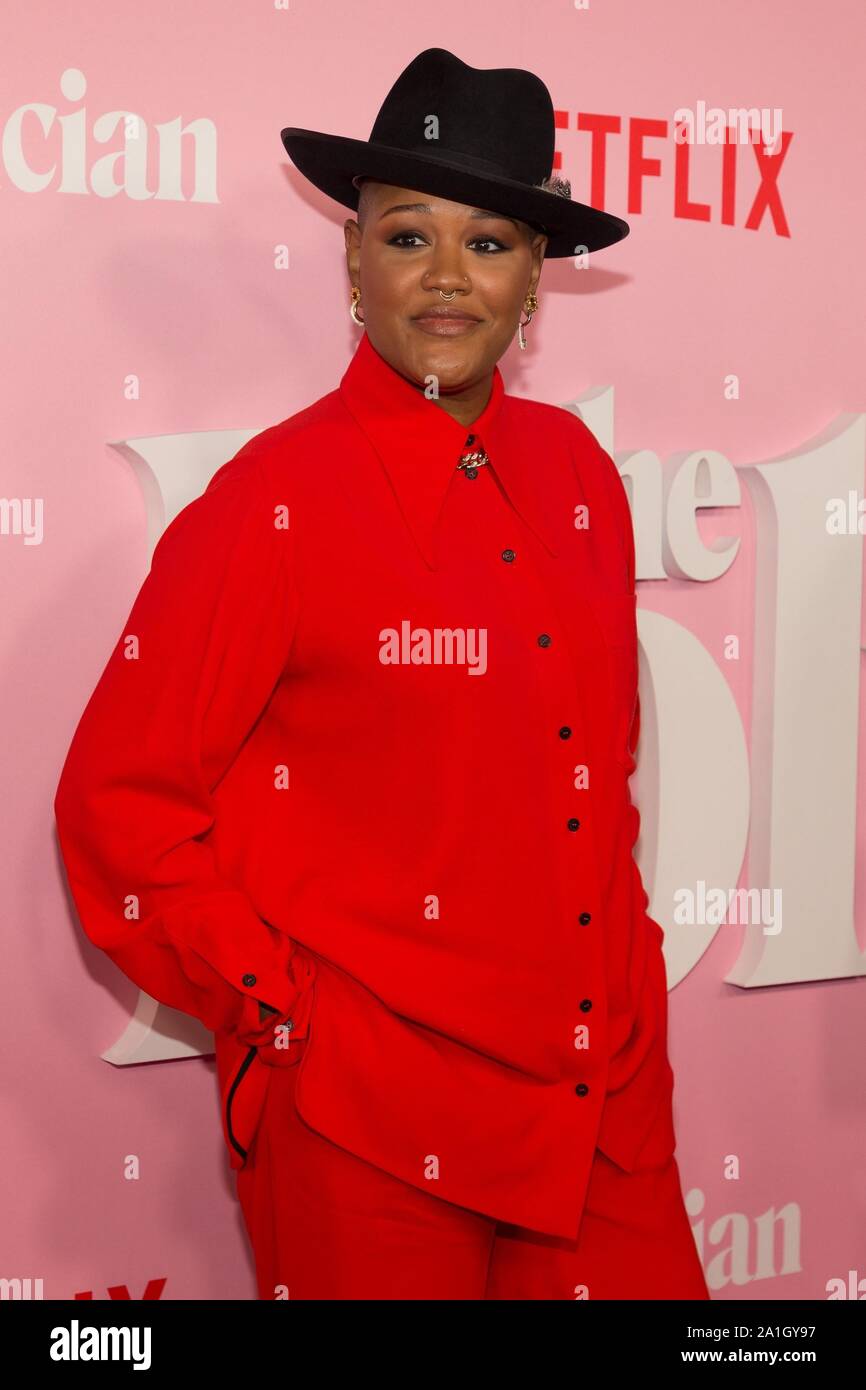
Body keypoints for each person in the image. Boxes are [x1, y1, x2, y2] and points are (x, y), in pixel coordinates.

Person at [53, 47, 710, 1300]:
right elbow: (116, 811)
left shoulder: (581, 478)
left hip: (602, 1109)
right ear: (354, 262)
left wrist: (626, 1010)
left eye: (492, 241)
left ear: (534, 284)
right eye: (409, 236)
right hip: (369, 1126)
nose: (450, 278)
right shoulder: (271, 503)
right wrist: (279, 1012)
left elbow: (591, 779)